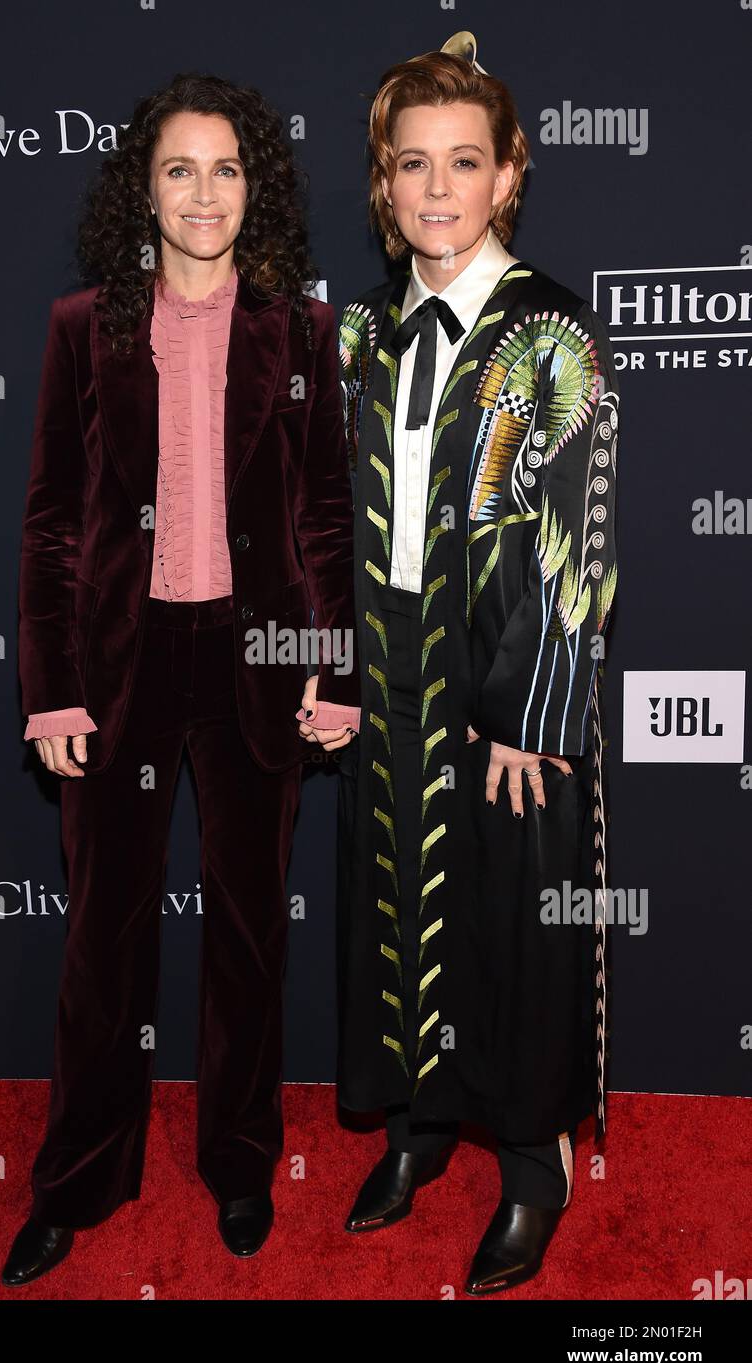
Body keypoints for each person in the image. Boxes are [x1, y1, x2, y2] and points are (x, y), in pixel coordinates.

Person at [2, 71, 360, 1286]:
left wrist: (335, 662)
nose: (203, 194)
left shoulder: (298, 331)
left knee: (251, 933)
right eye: (178, 169)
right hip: (123, 660)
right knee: (102, 939)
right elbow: (51, 522)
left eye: (225, 169)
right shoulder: (83, 325)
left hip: (255, 656)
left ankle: (243, 1164)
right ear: (142, 187)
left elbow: (324, 516)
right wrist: (51, 689)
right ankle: (81, 1175)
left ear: (254, 186)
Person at [332, 31, 618, 1295]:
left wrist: (529, 711)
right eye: (412, 165)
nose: (436, 188)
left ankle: (534, 1173)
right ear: (384, 187)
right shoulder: (364, 339)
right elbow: (336, 528)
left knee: (516, 932)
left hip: (510, 692)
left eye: (464, 162)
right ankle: (417, 1131)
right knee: (397, 912)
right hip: (392, 670)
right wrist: (337, 666)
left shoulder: (549, 331)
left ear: (510, 175)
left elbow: (578, 540)